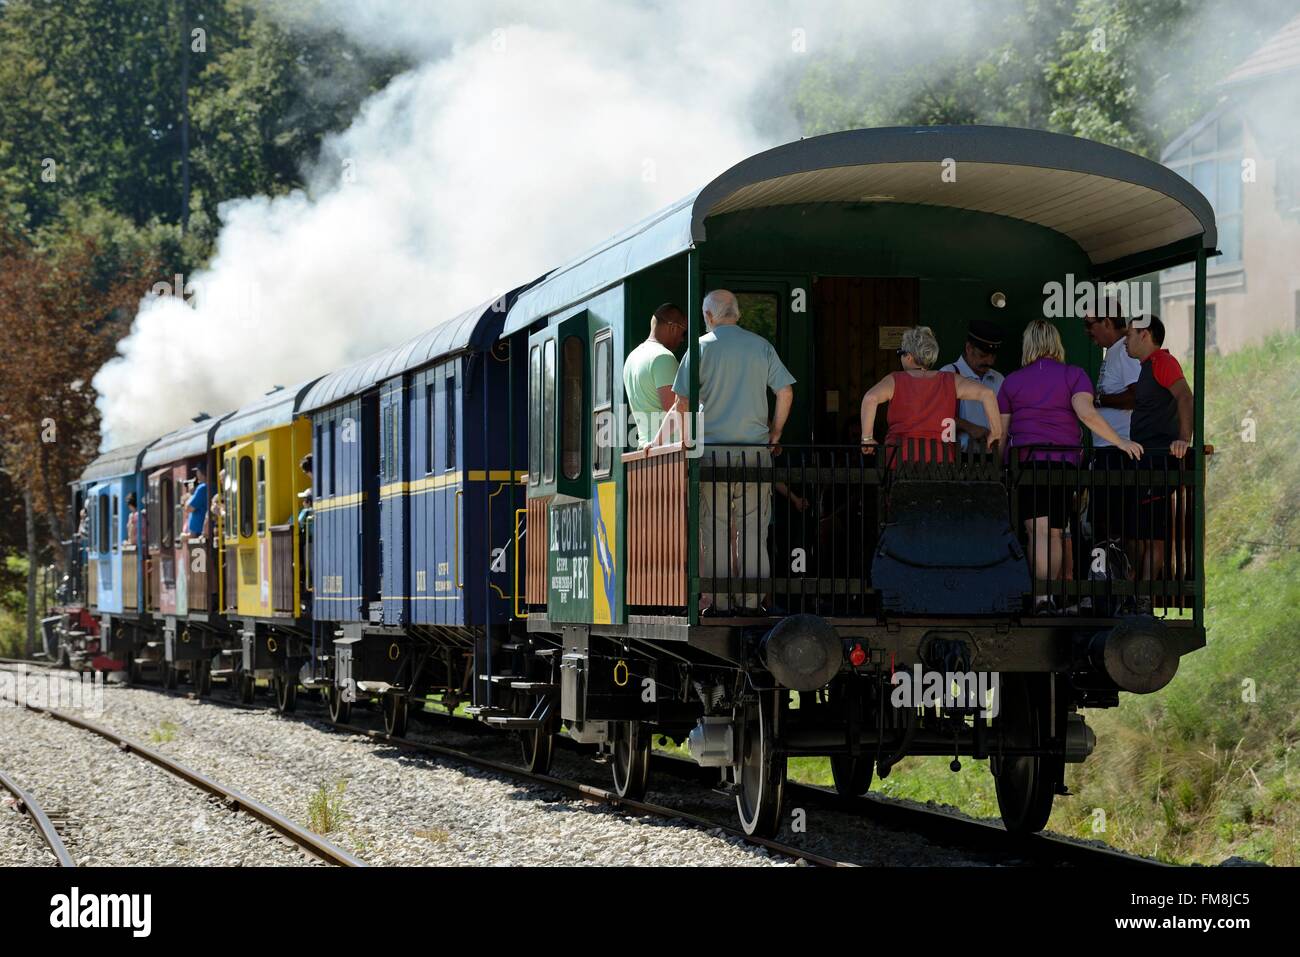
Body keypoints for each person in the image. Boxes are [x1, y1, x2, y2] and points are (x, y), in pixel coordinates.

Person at [655, 289, 795, 614]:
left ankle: (717, 602)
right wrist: (775, 432)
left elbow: (682, 404)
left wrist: (663, 442)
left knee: (715, 528)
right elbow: (785, 391)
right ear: (739, 314)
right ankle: (750, 601)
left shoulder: (700, 349)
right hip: (755, 454)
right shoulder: (761, 347)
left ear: (708, 316)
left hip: (713, 455)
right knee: (753, 530)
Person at [997, 320, 1143, 612]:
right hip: (1064, 463)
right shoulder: (1074, 375)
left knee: (1036, 532)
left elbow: (1002, 433)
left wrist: (1001, 467)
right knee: (1053, 532)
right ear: (1057, 344)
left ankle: (1041, 599)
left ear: (1028, 345)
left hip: (1028, 464)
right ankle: (1050, 597)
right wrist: (1120, 442)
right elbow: (1087, 414)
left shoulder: (1011, 381)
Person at [1123, 314, 1194, 605]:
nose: (1125, 340)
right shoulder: (1146, 368)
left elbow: (1185, 396)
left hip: (1158, 463)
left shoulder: (1164, 362)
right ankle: (1135, 595)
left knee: (1153, 534)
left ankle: (1142, 598)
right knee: (1138, 530)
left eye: (1129, 334)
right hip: (1143, 462)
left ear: (1145, 334)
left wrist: (1184, 440)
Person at [859, 325, 1001, 465]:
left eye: (900, 353)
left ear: (908, 356)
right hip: (941, 461)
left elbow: (870, 398)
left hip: (900, 460)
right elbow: (987, 394)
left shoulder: (895, 380)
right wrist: (995, 433)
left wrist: (867, 439)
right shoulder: (950, 380)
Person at [1083, 299, 1142, 545]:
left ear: (1107, 322)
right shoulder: (1114, 351)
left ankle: (1116, 577)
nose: (1087, 332)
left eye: (1089, 325)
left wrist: (1098, 400)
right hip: (1108, 451)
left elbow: (1136, 396)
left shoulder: (1124, 350)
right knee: (1103, 522)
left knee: (1112, 524)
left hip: (1119, 451)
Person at [623, 303, 686, 447]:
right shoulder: (663, 358)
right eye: (684, 333)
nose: (682, 339)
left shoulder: (632, 358)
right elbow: (677, 408)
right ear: (673, 327)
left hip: (646, 449)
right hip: (668, 452)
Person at [939, 319, 1005, 450]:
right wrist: (969, 427)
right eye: (983, 355)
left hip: (992, 460)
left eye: (993, 356)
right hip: (957, 459)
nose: (990, 361)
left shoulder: (999, 379)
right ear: (969, 348)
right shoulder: (947, 374)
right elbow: (936, 417)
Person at [183, 466, 208, 541]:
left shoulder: (202, 488)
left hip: (199, 534)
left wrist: (192, 494)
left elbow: (188, 508)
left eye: (197, 472)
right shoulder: (211, 486)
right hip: (199, 534)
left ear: (200, 473)